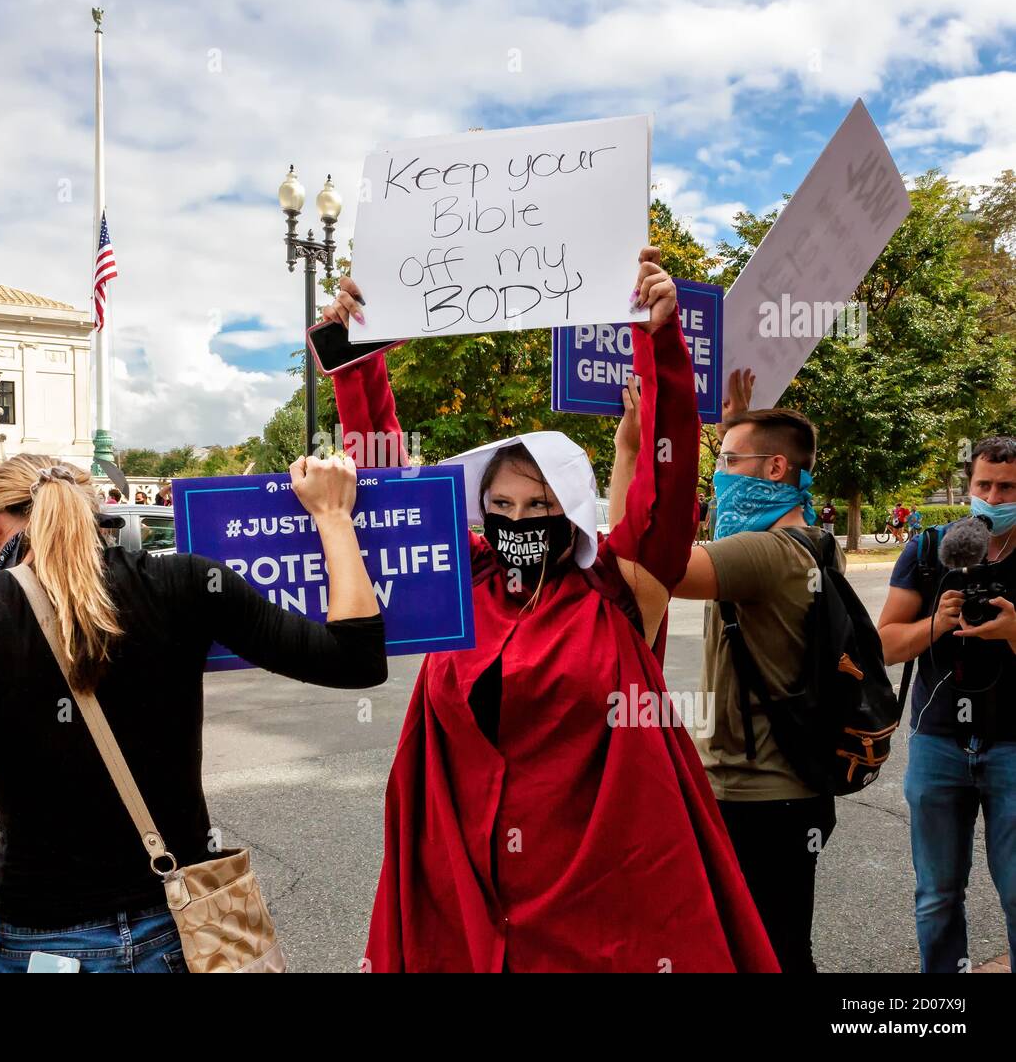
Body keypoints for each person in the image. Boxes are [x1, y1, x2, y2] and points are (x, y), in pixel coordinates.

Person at [325, 252, 778, 973]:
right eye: (502, 506)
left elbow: (661, 489)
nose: (518, 520)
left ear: (570, 515)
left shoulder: (618, 590)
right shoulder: (465, 578)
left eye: (539, 507)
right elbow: (386, 493)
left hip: (594, 911)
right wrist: (357, 356)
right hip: (467, 898)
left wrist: (658, 339)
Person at [0, 451, 387, 973]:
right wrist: (332, 517)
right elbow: (354, 658)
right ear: (97, 511)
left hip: (43, 939)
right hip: (186, 933)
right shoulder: (186, 583)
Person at [666, 368, 839, 973]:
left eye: (730, 463)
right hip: (796, 787)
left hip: (758, 795)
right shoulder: (815, 542)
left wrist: (653, 442)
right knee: (784, 944)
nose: (719, 476)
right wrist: (731, 430)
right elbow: (727, 537)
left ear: (774, 471)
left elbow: (658, 564)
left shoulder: (764, 558)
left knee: (767, 953)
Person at [878, 435, 1016, 973]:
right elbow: (884, 644)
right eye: (984, 484)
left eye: (1007, 487)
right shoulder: (930, 546)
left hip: (1011, 744)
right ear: (969, 484)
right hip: (937, 742)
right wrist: (935, 623)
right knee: (936, 896)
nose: (993, 496)